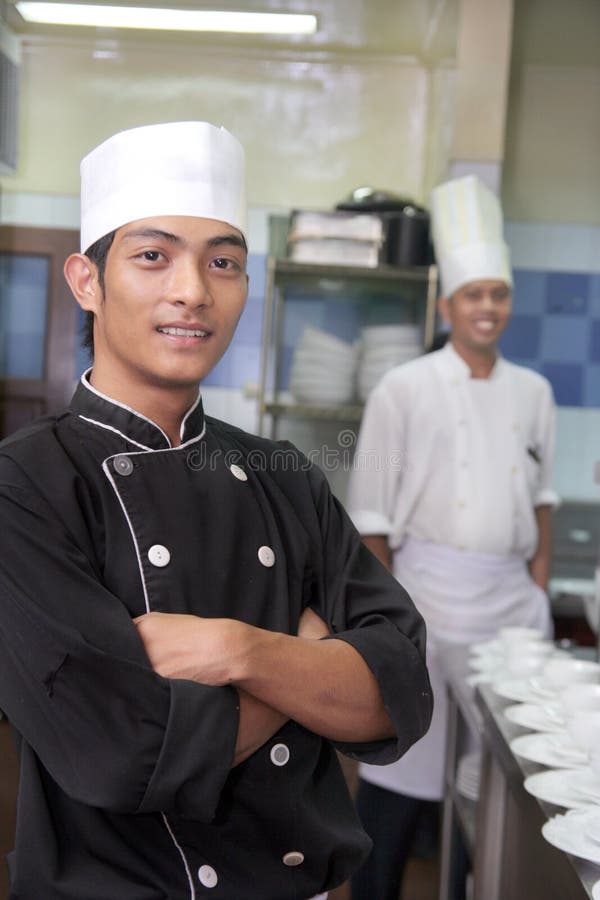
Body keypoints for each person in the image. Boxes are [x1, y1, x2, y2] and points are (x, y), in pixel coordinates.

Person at [0, 121, 432, 900]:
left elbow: (398, 687)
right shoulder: (26, 487)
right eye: (153, 256)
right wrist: (308, 664)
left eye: (223, 261)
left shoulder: (280, 474)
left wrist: (240, 651)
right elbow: (123, 750)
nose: (193, 291)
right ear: (86, 281)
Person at [348, 174, 558, 900]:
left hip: (508, 609)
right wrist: (392, 620)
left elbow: (543, 503)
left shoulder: (534, 392)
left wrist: (537, 591)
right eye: (475, 295)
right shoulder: (401, 389)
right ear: (448, 305)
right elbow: (371, 518)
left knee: (498, 785)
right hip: (427, 602)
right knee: (400, 773)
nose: (489, 307)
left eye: (499, 294)